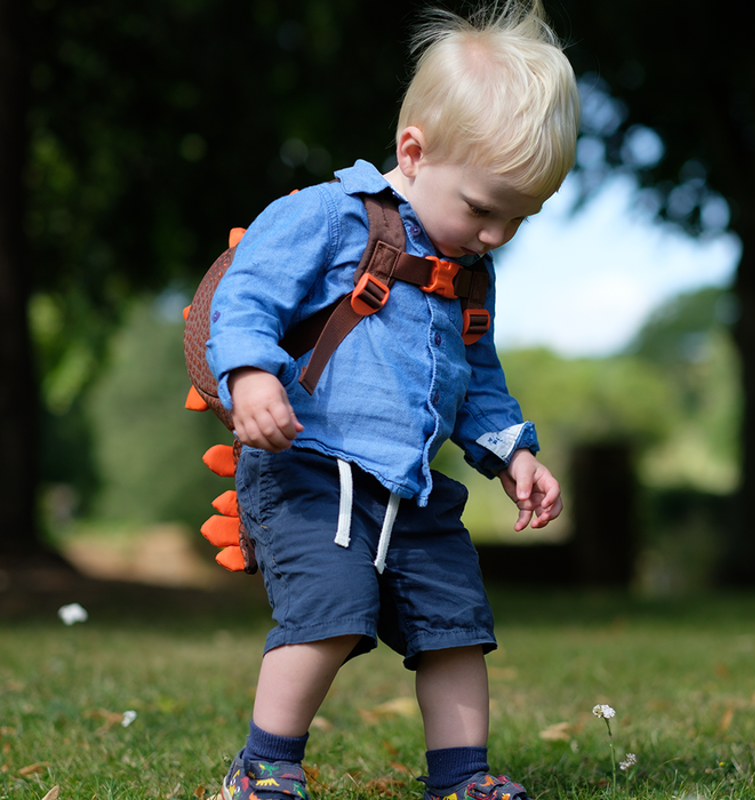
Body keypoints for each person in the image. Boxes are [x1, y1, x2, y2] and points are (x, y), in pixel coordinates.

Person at [206, 2, 580, 798]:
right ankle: (264, 765)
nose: (496, 236)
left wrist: (513, 448)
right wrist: (251, 375)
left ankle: (462, 777)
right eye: (484, 209)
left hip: (412, 487)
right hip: (309, 467)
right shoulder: (330, 218)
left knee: (456, 631)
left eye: (521, 217)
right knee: (330, 615)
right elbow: (246, 299)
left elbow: (478, 378)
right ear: (414, 150)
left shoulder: (470, 273)